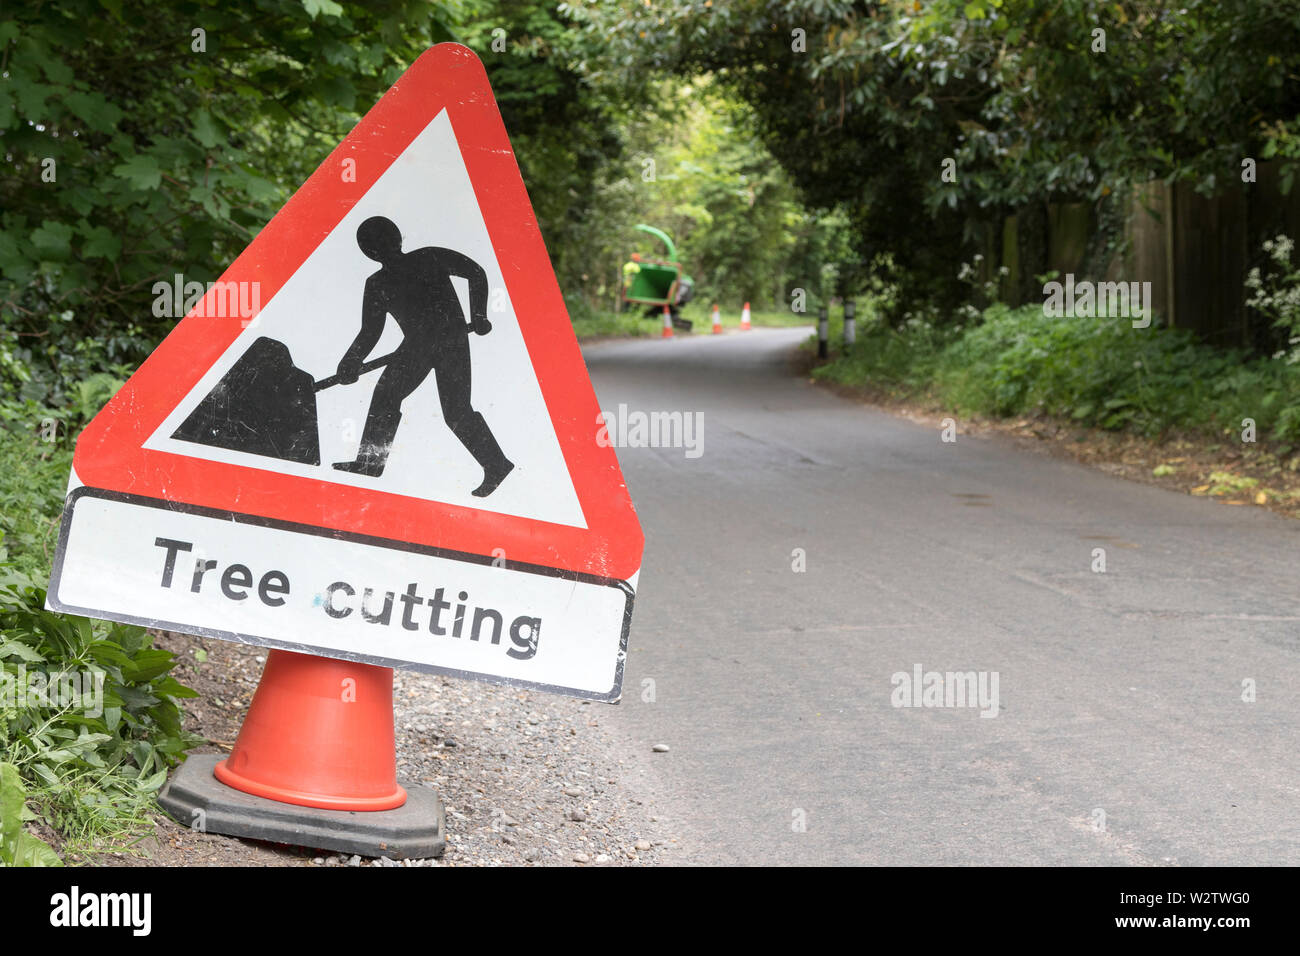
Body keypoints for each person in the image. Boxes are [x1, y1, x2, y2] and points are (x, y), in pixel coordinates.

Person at [332, 216, 514, 498]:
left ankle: (497, 464)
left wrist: (478, 314)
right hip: (416, 346)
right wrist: (350, 362)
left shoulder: (429, 257)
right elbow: (370, 331)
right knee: (385, 397)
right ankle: (369, 463)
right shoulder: (377, 283)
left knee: (456, 411)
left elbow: (475, 271)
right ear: (371, 252)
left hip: (450, 339)